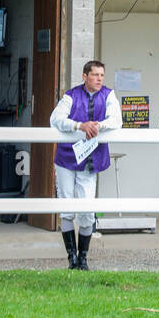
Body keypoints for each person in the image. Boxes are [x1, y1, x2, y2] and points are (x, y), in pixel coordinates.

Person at [50, 60, 122, 270]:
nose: (99, 79)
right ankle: (71, 256)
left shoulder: (108, 95)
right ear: (85, 76)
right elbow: (55, 119)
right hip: (66, 157)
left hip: (91, 158)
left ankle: (83, 257)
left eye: (102, 75)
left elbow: (116, 120)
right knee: (66, 205)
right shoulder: (71, 95)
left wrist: (98, 125)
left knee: (87, 209)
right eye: (95, 75)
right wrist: (79, 125)